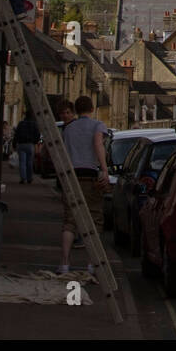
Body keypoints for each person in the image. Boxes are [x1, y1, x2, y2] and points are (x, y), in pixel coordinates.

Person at [57, 95, 109, 275]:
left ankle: (64, 263)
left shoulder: (68, 128)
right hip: (89, 176)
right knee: (94, 220)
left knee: (70, 221)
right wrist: (104, 168)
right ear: (92, 109)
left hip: (71, 176)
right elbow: (98, 144)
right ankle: (91, 264)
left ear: (76, 111)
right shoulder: (97, 126)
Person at [13, 110, 39, 184]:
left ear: (25, 116)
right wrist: (35, 142)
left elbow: (16, 134)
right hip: (30, 144)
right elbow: (37, 134)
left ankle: (23, 178)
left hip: (21, 144)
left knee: (22, 162)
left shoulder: (21, 124)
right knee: (30, 162)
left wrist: (14, 144)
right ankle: (29, 178)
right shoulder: (34, 124)